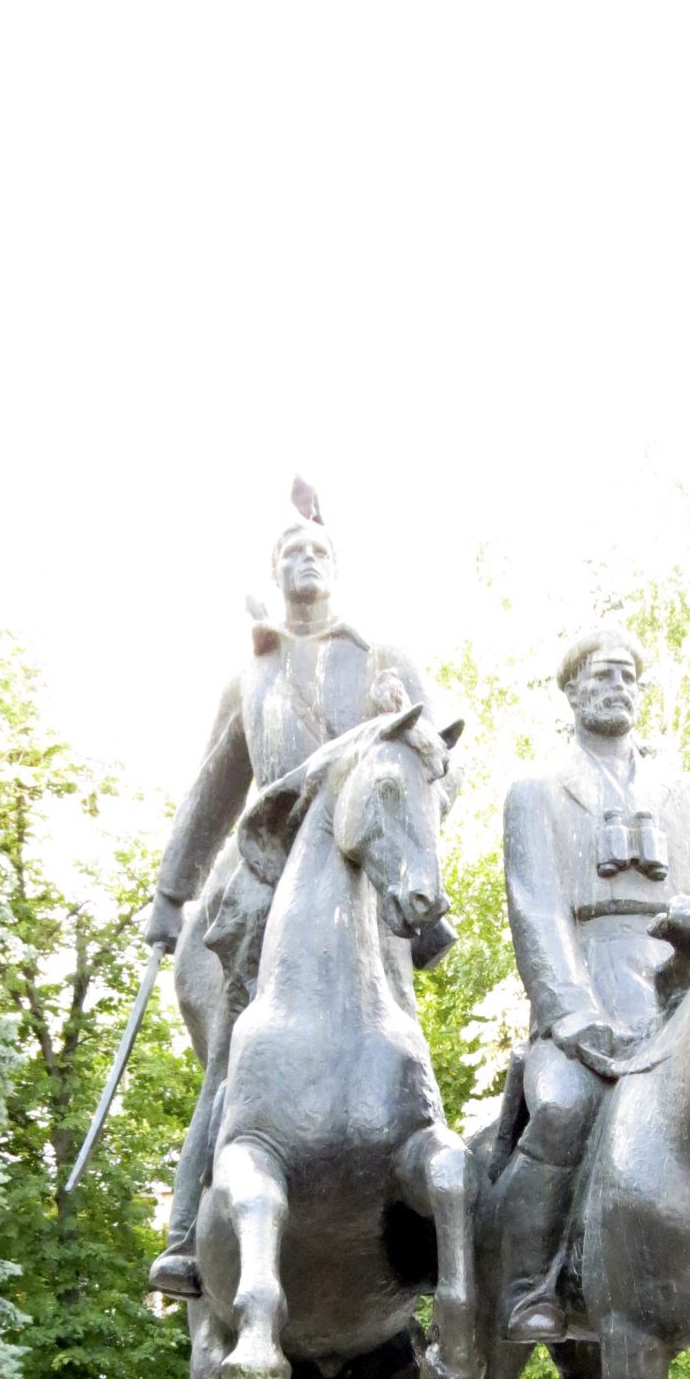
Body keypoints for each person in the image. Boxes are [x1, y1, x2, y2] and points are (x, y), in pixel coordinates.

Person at [143, 479, 461, 1298]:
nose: (305, 560)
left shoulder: (384, 656)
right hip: (267, 881)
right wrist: (171, 896)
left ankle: (429, 1222)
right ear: (274, 569)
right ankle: (187, 1231)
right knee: (235, 1051)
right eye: (291, 552)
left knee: (401, 1044)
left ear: (338, 566)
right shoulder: (249, 674)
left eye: (318, 549)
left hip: (365, 880)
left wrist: (407, 759)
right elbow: (213, 790)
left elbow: (439, 771)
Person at [500, 628, 690, 1339]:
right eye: (602, 674)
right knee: (564, 1107)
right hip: (582, 996)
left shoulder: (687, 796)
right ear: (571, 690)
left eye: (628, 675)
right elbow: (536, 912)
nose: (618, 686)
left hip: (673, 1001)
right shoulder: (536, 793)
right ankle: (531, 1283)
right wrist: (573, 1018)